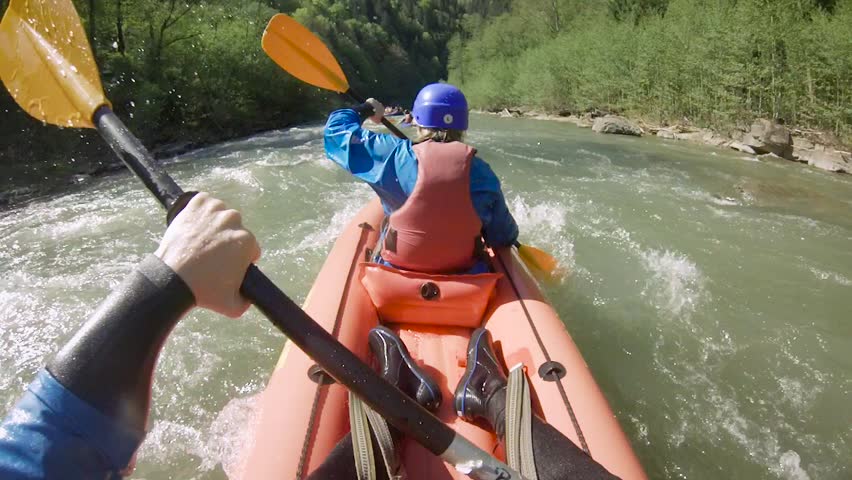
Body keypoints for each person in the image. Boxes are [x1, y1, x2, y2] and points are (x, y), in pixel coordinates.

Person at [0, 193, 617, 479]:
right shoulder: (476, 172)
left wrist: (356, 120)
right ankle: (494, 398)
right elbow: (500, 230)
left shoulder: (391, 155)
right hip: (472, 280)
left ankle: (389, 401)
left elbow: (341, 148)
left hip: (392, 273)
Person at [324, 83, 518, 275]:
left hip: (396, 275)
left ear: (417, 121)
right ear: (463, 126)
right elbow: (502, 236)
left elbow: (336, 131)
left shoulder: (393, 154)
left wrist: (367, 108)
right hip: (465, 278)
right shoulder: (483, 172)